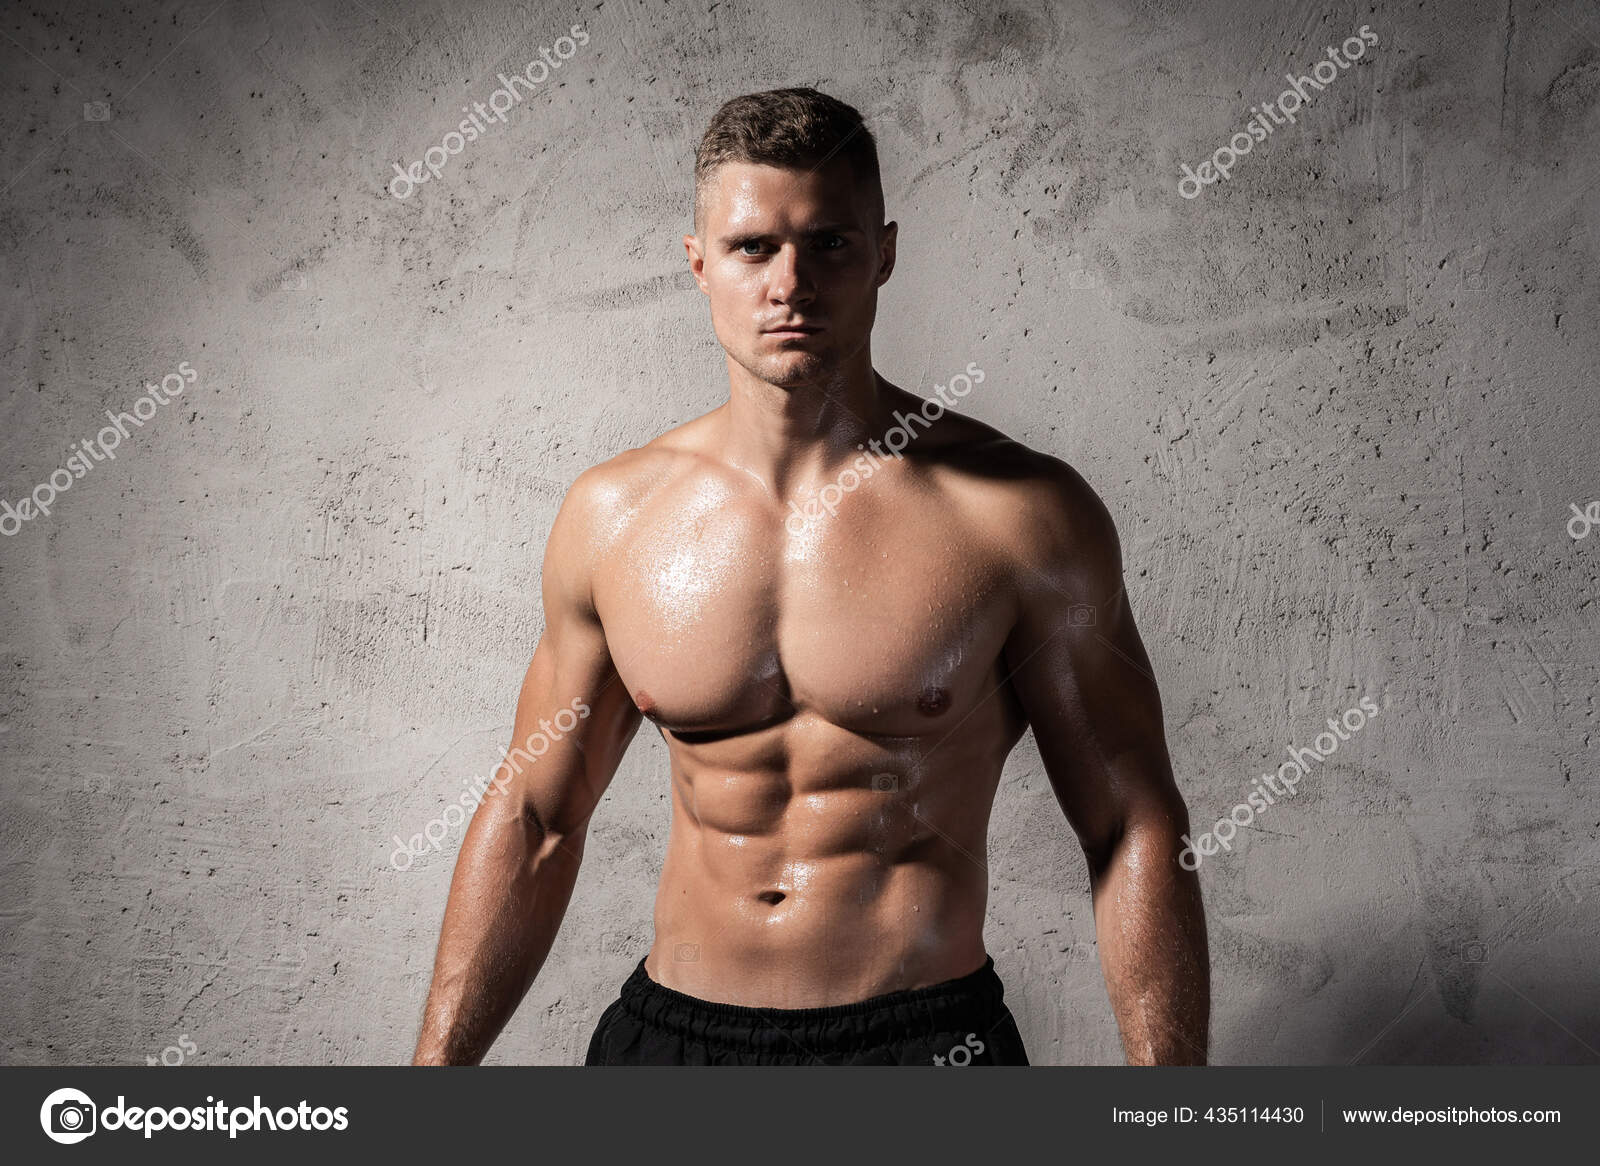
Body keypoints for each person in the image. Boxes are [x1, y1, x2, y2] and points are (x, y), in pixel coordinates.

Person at [411, 87, 1208, 1066]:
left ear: (884, 252)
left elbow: (1131, 822)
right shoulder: (614, 516)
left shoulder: (1018, 515)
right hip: (674, 1042)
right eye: (753, 247)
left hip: (916, 1044)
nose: (789, 281)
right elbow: (538, 816)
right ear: (698, 261)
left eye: (828, 243)